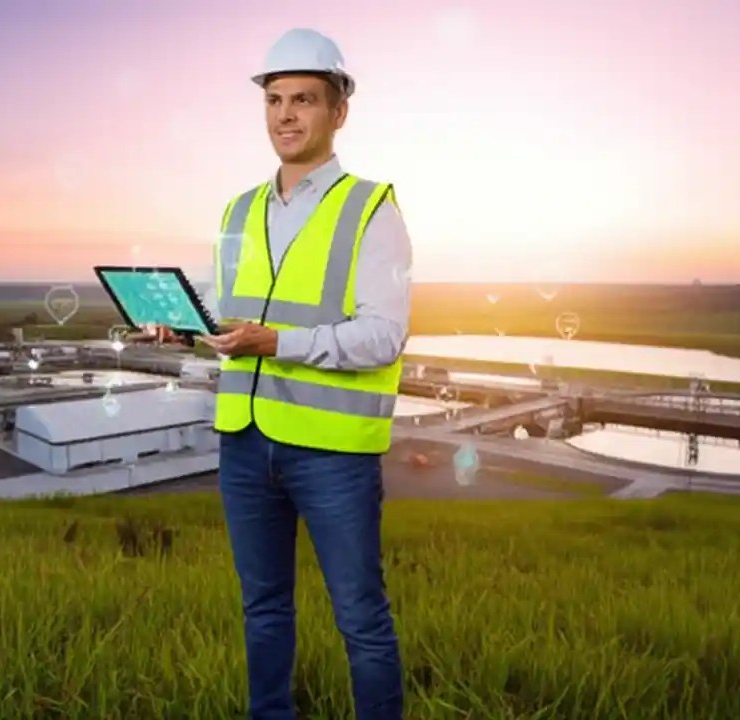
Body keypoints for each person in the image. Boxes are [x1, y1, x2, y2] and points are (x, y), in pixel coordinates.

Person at [156, 27, 412, 720]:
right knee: (262, 607)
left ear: (339, 112)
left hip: (332, 452)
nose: (286, 115)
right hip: (243, 439)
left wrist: (280, 342)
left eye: (303, 99)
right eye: (274, 100)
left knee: (360, 618)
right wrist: (182, 325)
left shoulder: (372, 207)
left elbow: (385, 336)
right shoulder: (237, 210)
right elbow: (229, 320)